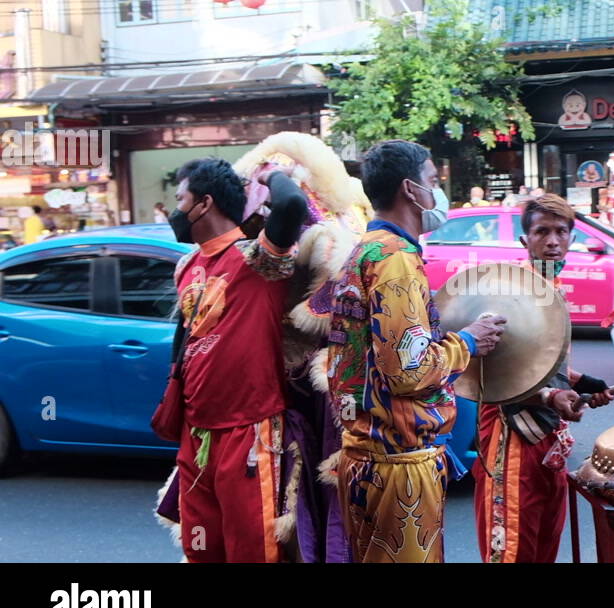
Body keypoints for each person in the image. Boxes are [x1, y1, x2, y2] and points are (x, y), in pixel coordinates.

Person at [327, 139, 507, 563]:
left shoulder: (363, 251)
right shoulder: (395, 259)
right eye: (432, 180)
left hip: (363, 455)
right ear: (410, 189)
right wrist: (467, 342)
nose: (437, 190)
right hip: (398, 465)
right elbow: (408, 371)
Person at [168, 157, 309, 562]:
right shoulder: (186, 266)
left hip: (250, 431)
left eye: (180, 199)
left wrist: (268, 176)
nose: (175, 210)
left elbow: (291, 207)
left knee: (252, 552)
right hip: (195, 434)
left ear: (204, 203)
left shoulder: (257, 258)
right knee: (201, 550)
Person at [472, 194, 614, 563]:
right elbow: (493, 373)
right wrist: (551, 397)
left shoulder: (553, 289)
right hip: (512, 438)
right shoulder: (512, 294)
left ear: (571, 238)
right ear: (525, 240)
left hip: (549, 437)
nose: (552, 241)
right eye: (542, 232)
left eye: (561, 231)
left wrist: (581, 382)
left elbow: (540, 363)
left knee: (544, 543)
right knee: (513, 547)